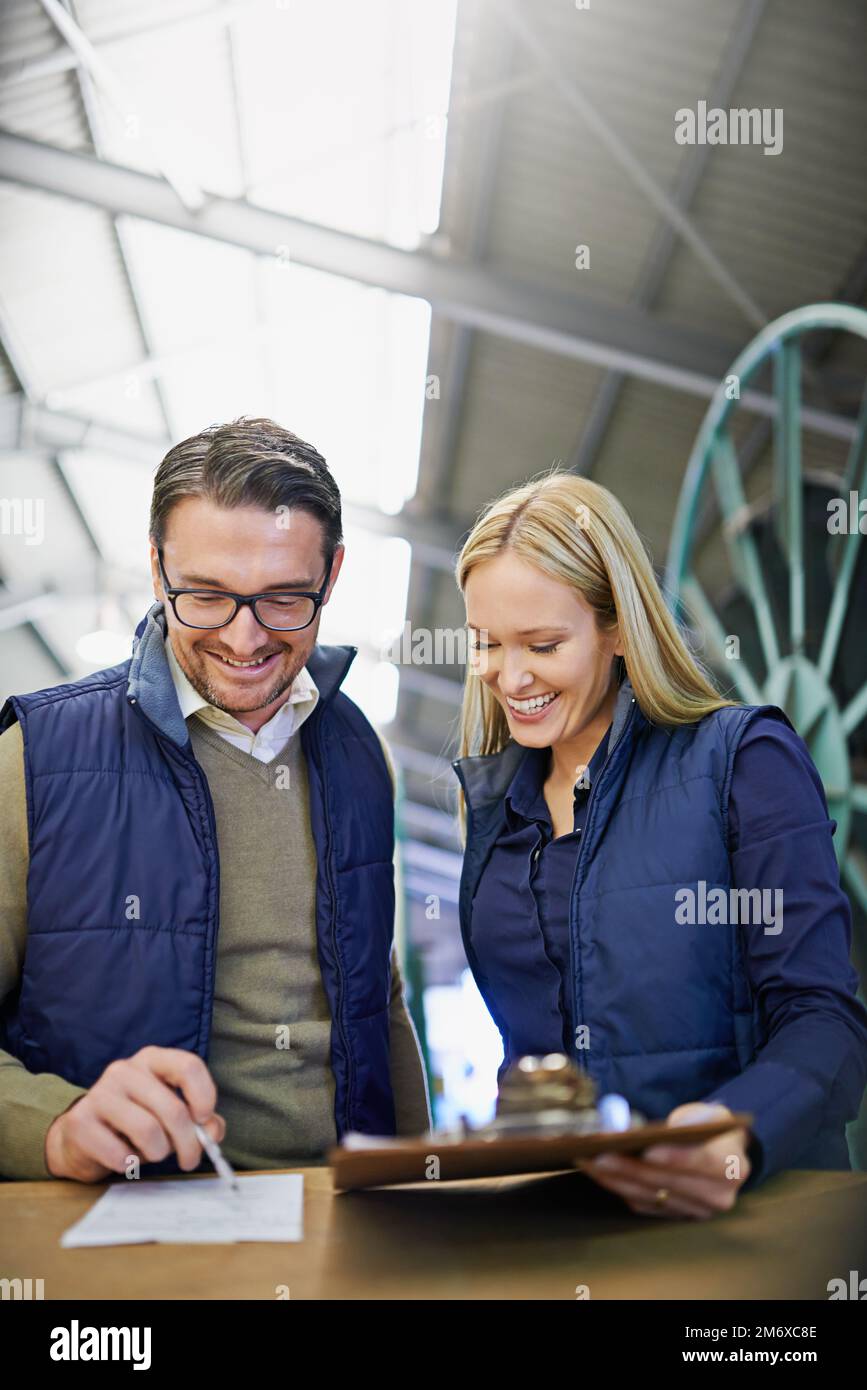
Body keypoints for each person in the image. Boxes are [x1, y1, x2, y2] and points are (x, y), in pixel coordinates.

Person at [0, 416, 430, 1182]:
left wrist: (419, 1183)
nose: (242, 639)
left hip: (347, 1219)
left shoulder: (360, 752)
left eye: (284, 599)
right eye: (204, 596)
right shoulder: (33, 761)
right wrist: (54, 1127)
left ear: (332, 574)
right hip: (129, 1229)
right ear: (157, 567)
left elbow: (377, 996)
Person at [452, 471, 867, 1220]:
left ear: (617, 626)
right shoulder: (495, 807)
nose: (508, 677)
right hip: (558, 1227)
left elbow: (823, 1020)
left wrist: (735, 1131)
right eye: (485, 644)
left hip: (747, 1226)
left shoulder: (742, 762)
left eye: (542, 644)